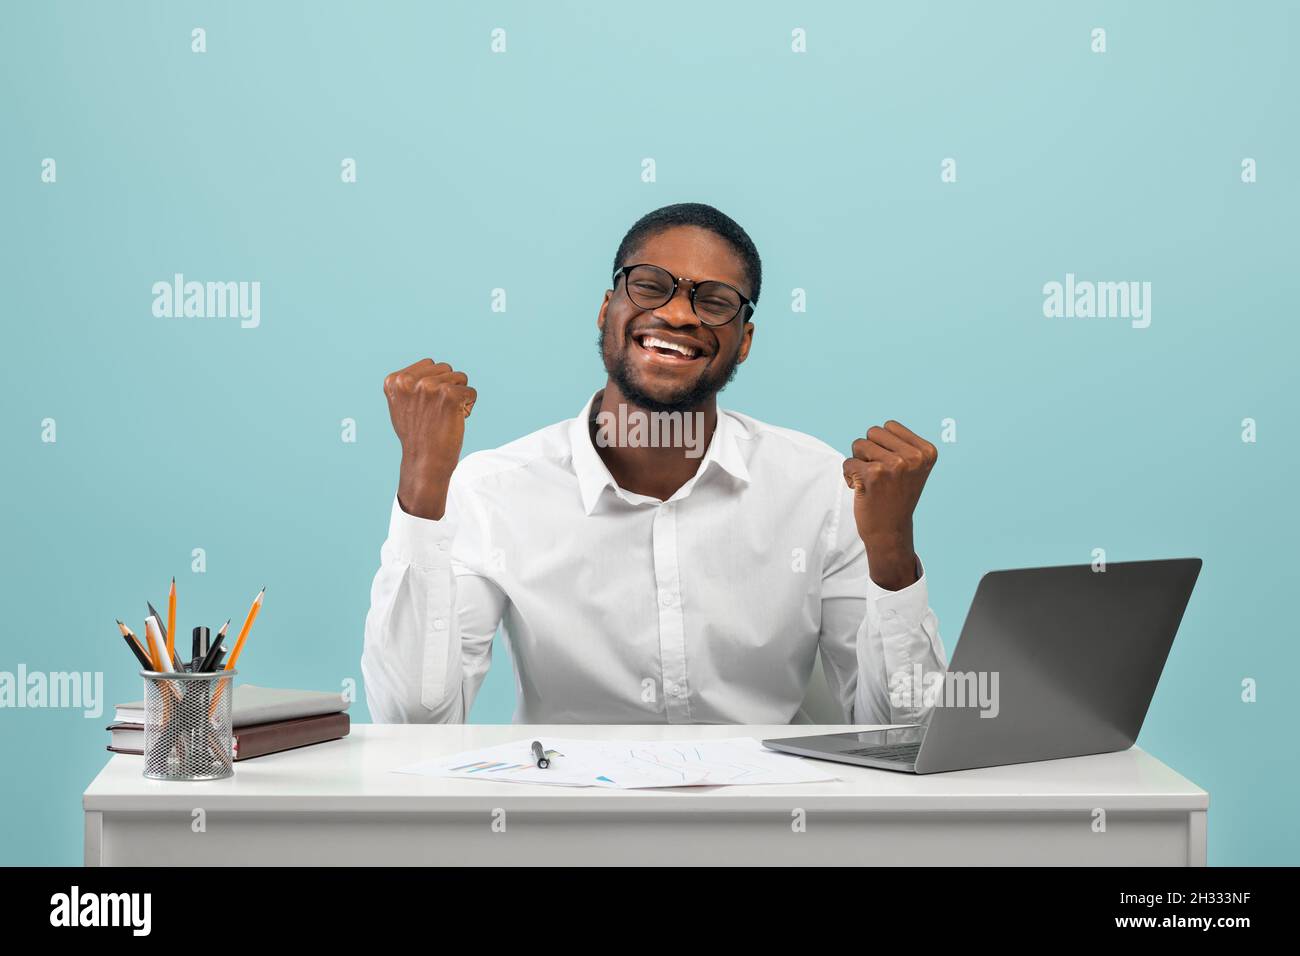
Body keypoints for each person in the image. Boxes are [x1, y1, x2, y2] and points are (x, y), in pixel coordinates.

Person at [362, 202, 947, 724]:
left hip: (765, 832)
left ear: (744, 339)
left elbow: (905, 734)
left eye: (714, 301)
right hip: (567, 831)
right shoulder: (494, 490)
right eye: (649, 286)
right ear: (605, 308)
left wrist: (893, 553)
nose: (678, 314)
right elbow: (413, 722)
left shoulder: (819, 488)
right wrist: (422, 483)